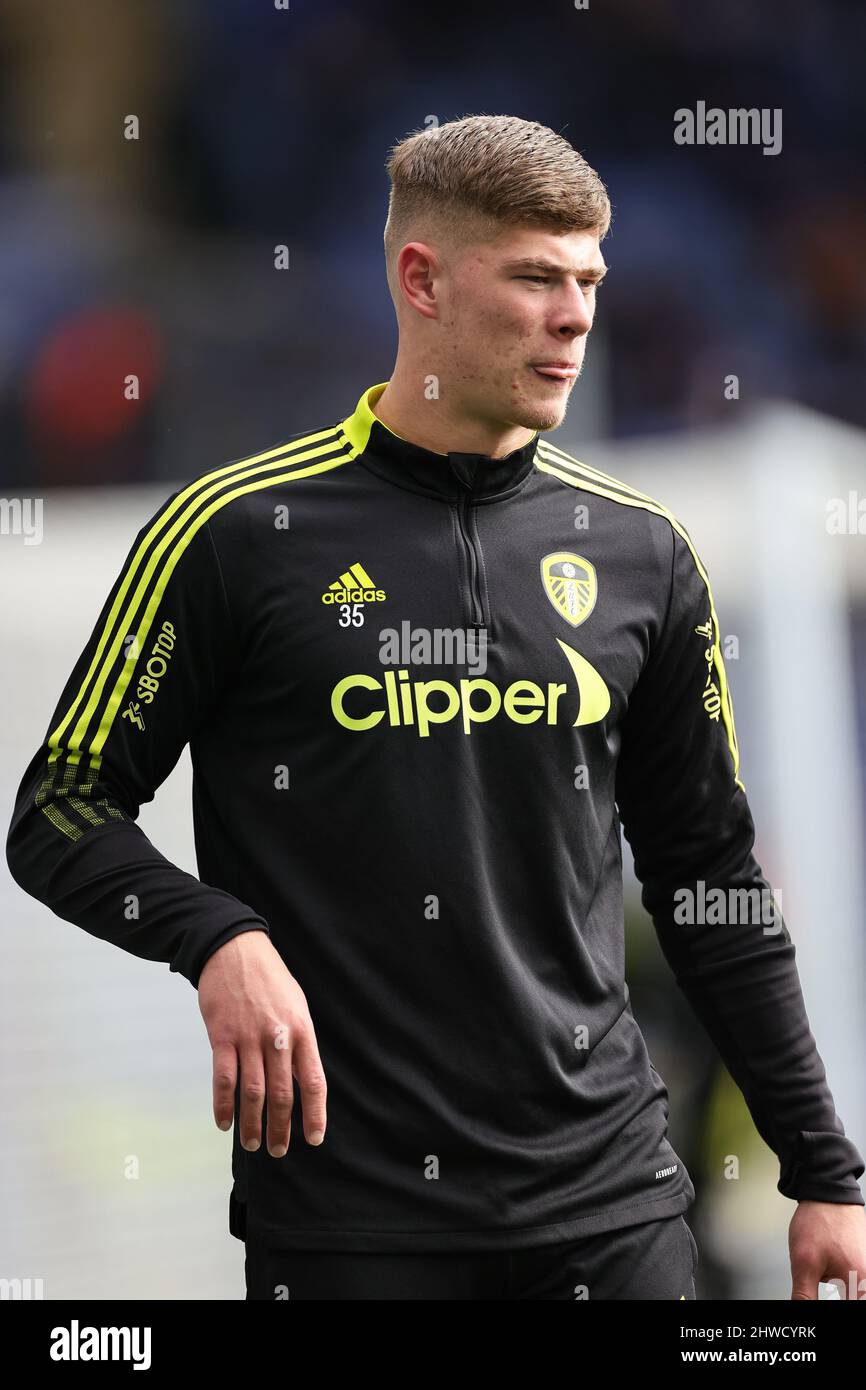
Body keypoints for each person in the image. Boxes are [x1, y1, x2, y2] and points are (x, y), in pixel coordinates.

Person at [6, 114, 865, 1301]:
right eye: (533, 278)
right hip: (354, 1232)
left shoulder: (639, 553)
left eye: (588, 281)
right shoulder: (237, 536)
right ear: (421, 279)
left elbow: (708, 876)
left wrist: (823, 1170)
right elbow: (59, 808)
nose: (573, 316)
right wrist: (213, 935)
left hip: (615, 1213)